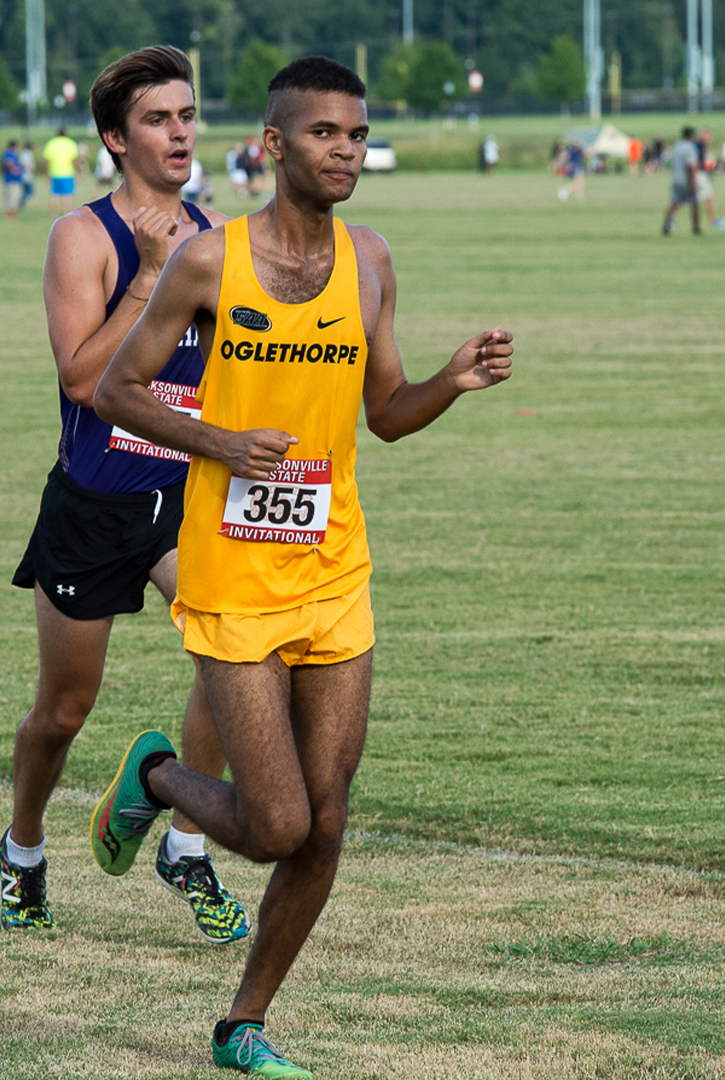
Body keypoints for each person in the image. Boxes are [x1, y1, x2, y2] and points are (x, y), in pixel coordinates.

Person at [89, 55, 513, 1079]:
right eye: (326, 134)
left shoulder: (369, 262)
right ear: (274, 145)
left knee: (325, 821)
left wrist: (451, 382)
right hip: (234, 578)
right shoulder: (208, 263)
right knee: (276, 823)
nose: (348, 153)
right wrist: (224, 445)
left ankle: (245, 1024)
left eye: (359, 137)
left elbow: (386, 414)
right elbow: (115, 390)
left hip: (334, 575)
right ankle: (153, 773)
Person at [3, 45, 249, 943]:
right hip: (96, 501)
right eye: (158, 119)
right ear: (115, 137)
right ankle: (24, 849)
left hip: (184, 500)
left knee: (236, 660)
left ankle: (185, 840)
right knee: (64, 709)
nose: (180, 133)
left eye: (188, 115)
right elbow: (80, 381)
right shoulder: (81, 236)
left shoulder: (222, 238)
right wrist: (149, 275)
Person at [663, 126, 703, 236]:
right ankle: (696, 228)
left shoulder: (677, 146)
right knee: (694, 204)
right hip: (686, 180)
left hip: (676, 179)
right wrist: (692, 183)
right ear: (691, 135)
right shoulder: (690, 147)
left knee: (675, 203)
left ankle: (666, 225)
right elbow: (690, 166)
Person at [41, 126, 81, 211]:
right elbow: (74, 160)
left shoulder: (51, 143)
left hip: (54, 172)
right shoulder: (71, 143)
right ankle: (67, 213)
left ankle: (53, 214)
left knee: (54, 195)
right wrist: (76, 171)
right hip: (67, 172)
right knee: (67, 196)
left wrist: (46, 173)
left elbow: (47, 160)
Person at [694, 156, 725, 230]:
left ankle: (713, 221)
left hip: (700, 175)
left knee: (707, 199)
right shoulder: (699, 147)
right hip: (700, 176)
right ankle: (714, 222)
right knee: (708, 199)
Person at [2, 139, 26, 219]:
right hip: (12, 180)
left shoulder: (14, 154)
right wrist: (14, 169)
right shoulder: (9, 154)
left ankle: (11, 215)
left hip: (14, 180)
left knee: (12, 198)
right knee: (13, 198)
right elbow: (8, 163)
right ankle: (11, 216)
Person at [19, 140, 38, 210]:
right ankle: (21, 201)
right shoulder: (27, 154)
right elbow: (23, 164)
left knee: (27, 191)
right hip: (26, 176)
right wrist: (30, 168)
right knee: (30, 192)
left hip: (26, 175)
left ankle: (21, 202)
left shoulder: (23, 153)